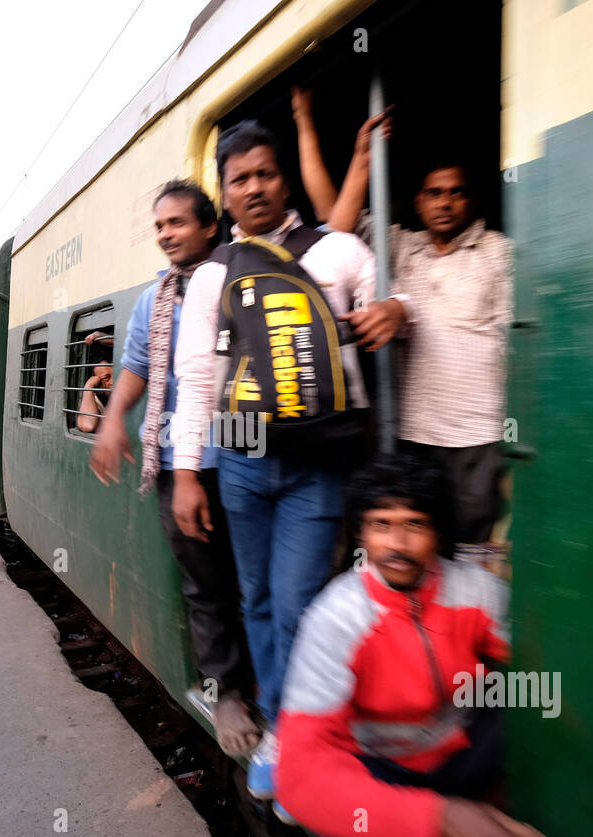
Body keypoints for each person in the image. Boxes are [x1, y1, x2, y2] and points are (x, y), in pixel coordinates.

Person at [170, 120, 412, 799]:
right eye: (239, 179)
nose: (254, 188)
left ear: (285, 180)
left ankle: (311, 730)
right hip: (242, 457)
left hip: (319, 458)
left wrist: (398, 308)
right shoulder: (211, 274)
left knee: (301, 600)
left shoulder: (337, 250)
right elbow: (196, 381)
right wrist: (189, 473)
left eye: (265, 174)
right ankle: (281, 723)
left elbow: (387, 300)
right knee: (259, 597)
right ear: (224, 192)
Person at [275, 455, 559, 837]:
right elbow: (297, 774)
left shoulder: (475, 590)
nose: (398, 545)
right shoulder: (335, 618)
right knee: (338, 828)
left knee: (536, 696)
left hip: (461, 756)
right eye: (381, 525)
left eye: (416, 524)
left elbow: (537, 671)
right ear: (360, 533)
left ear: (437, 532)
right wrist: (436, 821)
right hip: (379, 768)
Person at [294, 91, 514, 545]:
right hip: (413, 432)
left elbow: (517, 341)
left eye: (456, 193)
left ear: (471, 200)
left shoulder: (498, 252)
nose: (445, 203)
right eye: (435, 193)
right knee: (420, 548)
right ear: (418, 202)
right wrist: (341, 143)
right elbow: (332, 217)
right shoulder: (400, 247)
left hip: (480, 434)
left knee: (473, 546)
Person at [91, 179, 258, 756]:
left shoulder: (241, 282)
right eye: (160, 226)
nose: (166, 235)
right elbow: (137, 364)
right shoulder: (154, 299)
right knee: (205, 584)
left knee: (256, 582)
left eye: (178, 223)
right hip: (174, 465)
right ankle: (230, 690)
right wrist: (115, 419)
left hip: (242, 458)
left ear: (210, 227)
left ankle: (281, 694)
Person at [74, 345, 113, 434]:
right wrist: (89, 386)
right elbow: (87, 425)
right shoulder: (96, 399)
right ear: (98, 383)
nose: (113, 381)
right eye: (106, 378)